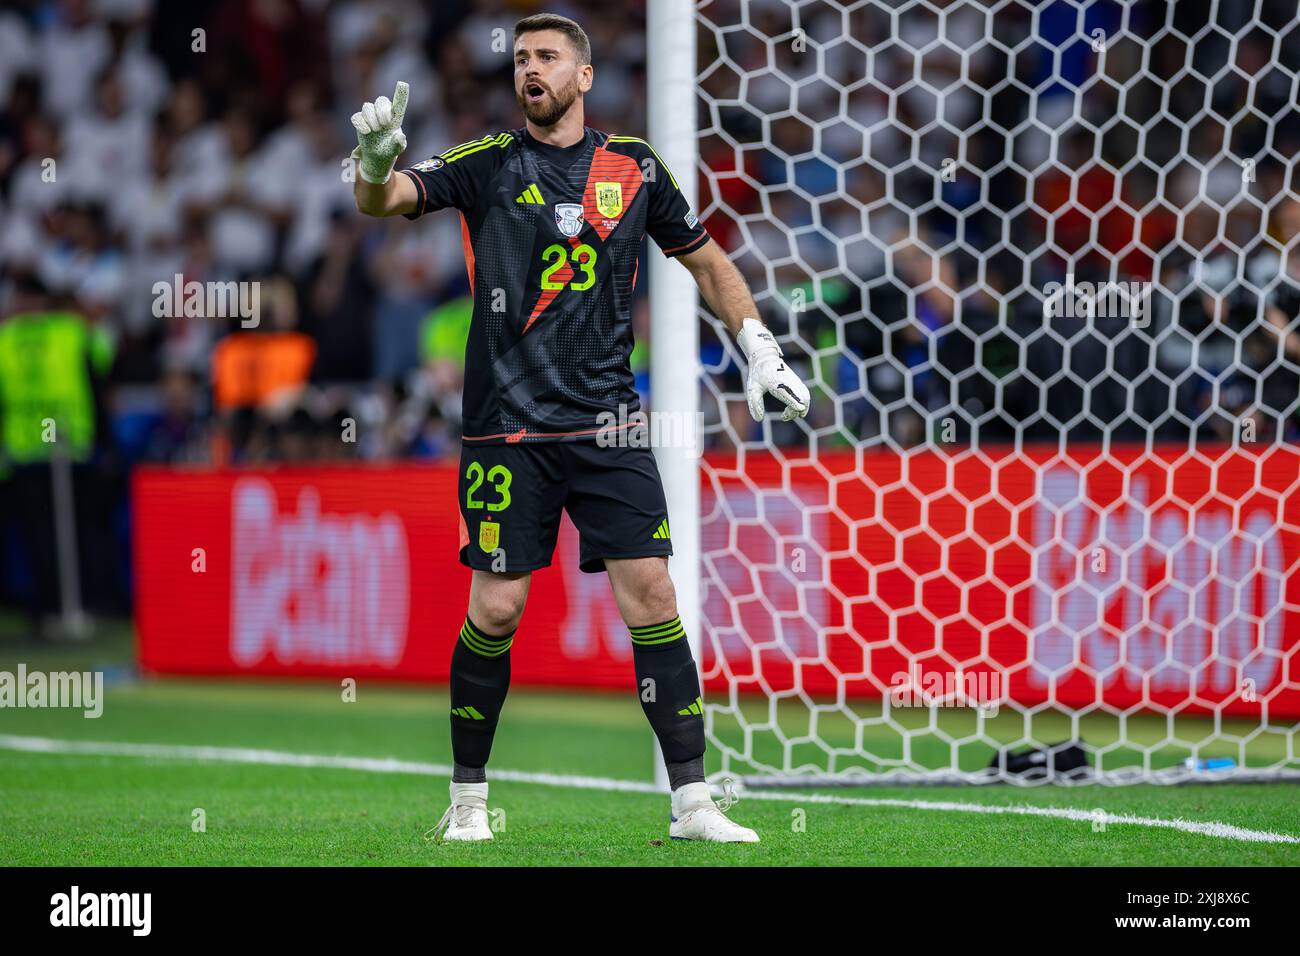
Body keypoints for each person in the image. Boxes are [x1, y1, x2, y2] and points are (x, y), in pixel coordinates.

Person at [351, 13, 810, 844]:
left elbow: (706, 258)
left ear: (584, 75)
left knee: (656, 596)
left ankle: (694, 804)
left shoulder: (631, 168)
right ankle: (466, 802)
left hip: (609, 424)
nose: (531, 69)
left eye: (548, 57)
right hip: (507, 429)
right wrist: (376, 161)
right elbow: (386, 198)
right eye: (522, 57)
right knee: (497, 608)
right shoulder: (489, 163)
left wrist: (758, 347)